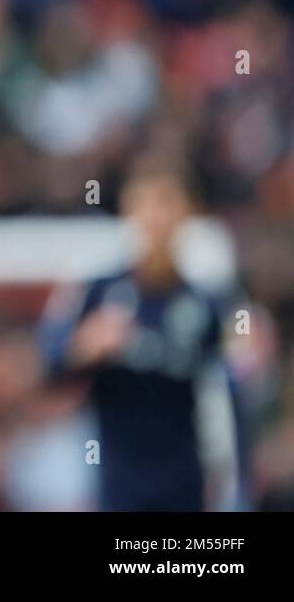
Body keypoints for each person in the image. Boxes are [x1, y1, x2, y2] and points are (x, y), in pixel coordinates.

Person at [38, 155, 242, 511]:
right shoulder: (98, 290)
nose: (155, 217)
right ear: (128, 210)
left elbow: (235, 381)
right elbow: (48, 366)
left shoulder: (208, 301)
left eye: (166, 202)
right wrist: (81, 347)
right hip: (118, 482)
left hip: (184, 482)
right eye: (144, 203)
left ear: (187, 212)